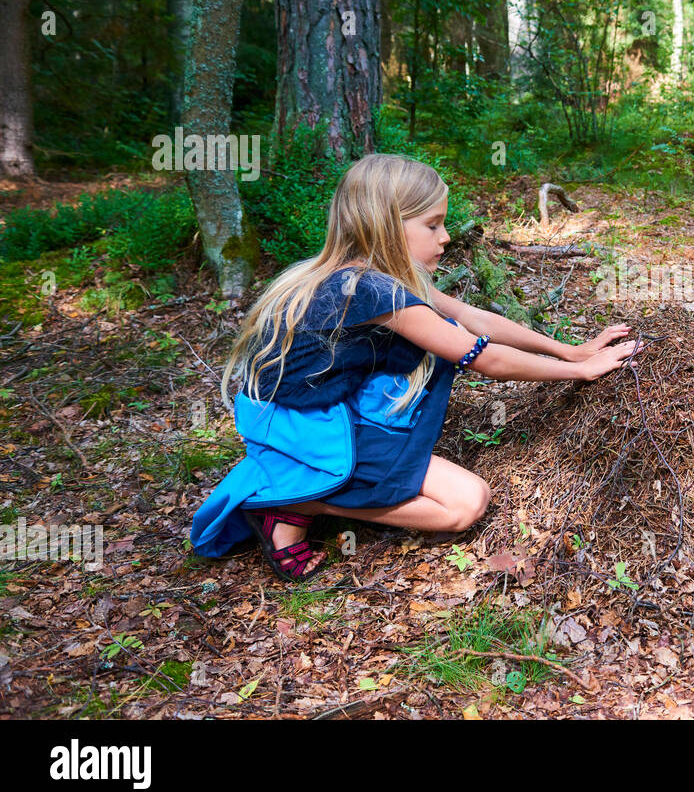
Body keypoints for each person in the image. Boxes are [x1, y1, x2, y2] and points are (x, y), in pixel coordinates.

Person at [188, 153, 644, 582]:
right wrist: (580, 373)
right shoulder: (369, 290)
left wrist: (571, 350)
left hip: (307, 411)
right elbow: (482, 356)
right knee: (466, 505)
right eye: (432, 225)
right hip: (300, 427)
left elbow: (475, 319)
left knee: (466, 495)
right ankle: (301, 501)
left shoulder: (375, 278)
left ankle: (308, 490)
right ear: (386, 225)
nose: (445, 237)